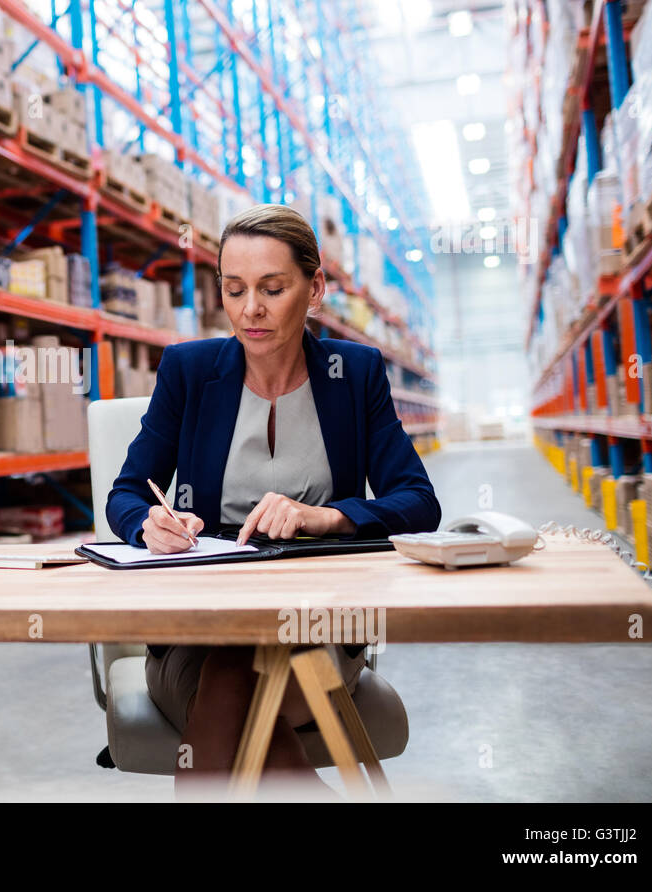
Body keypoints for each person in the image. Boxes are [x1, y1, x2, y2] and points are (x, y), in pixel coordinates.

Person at [105, 203, 441, 796]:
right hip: (199, 631)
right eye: (233, 290)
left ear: (314, 291)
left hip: (317, 625)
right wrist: (147, 525)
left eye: (272, 288)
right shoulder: (189, 370)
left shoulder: (354, 373)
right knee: (233, 670)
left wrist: (329, 515)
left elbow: (417, 500)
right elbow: (128, 492)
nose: (250, 309)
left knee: (237, 688)